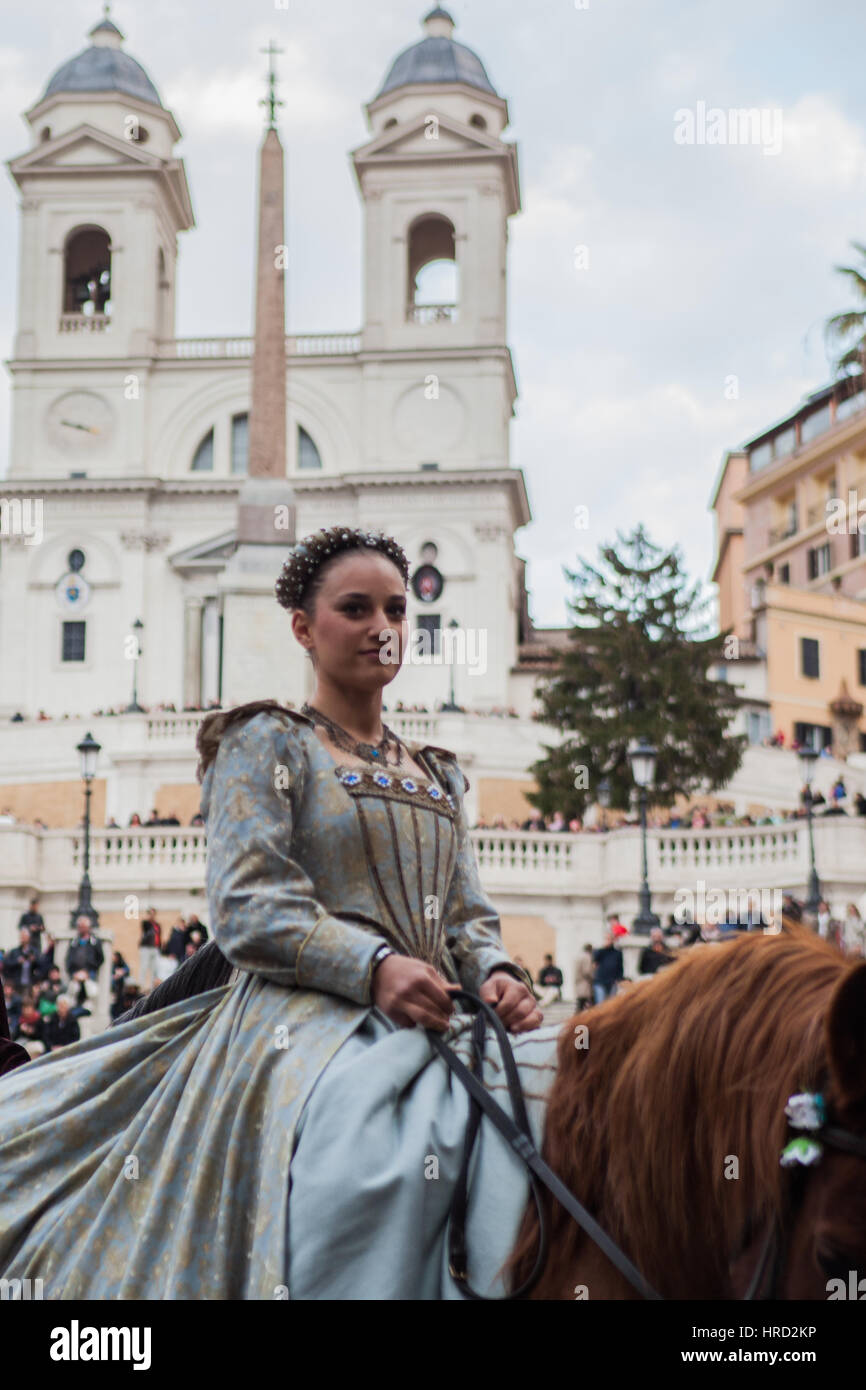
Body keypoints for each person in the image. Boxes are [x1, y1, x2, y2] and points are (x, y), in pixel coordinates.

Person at [0, 526, 551, 1300]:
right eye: (355, 608)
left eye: (395, 609)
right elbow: (250, 904)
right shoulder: (264, 742)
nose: (382, 626)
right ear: (303, 626)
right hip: (303, 1018)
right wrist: (373, 967)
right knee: (369, 1149)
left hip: (440, 1013)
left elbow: (467, 914)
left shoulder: (436, 775)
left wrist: (496, 973)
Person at [592, 929, 623, 1003]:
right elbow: (595, 961)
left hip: (612, 982)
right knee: (600, 1004)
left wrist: (619, 979)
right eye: (606, 938)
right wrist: (604, 947)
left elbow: (620, 968)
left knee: (612, 1004)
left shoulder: (617, 953)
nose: (608, 940)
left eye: (610, 938)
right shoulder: (599, 951)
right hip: (600, 981)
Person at [138, 908, 162, 991]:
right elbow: (146, 929)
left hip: (155, 948)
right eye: (150, 914)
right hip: (146, 947)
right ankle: (141, 985)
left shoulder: (157, 925)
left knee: (154, 968)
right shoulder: (146, 923)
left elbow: (159, 937)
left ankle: (153, 987)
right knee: (144, 966)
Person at [574, 944, 594, 1010]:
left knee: (580, 1004)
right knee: (586, 1004)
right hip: (585, 984)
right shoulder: (587, 957)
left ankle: (577, 1019)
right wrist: (593, 978)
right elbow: (587, 971)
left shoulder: (578, 957)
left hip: (578, 983)